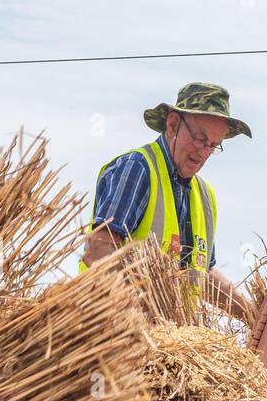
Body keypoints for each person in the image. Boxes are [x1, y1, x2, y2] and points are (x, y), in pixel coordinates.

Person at [81, 82, 251, 318]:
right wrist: (133, 312)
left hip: (169, 343)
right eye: (199, 139)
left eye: (213, 145)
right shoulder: (138, 169)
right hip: (112, 333)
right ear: (172, 125)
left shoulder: (204, 196)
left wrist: (252, 314)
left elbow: (202, 277)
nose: (203, 152)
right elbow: (99, 247)